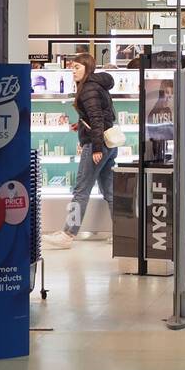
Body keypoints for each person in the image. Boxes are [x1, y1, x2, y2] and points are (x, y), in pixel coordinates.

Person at [45, 52, 119, 249]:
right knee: (110, 191)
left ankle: (68, 234)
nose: (73, 70)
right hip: (109, 144)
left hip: (97, 145)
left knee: (81, 190)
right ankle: (123, 232)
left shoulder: (87, 89)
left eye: (77, 67)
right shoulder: (98, 85)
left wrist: (95, 147)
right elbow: (105, 114)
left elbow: (97, 119)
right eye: (72, 67)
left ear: (87, 68)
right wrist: (81, 125)